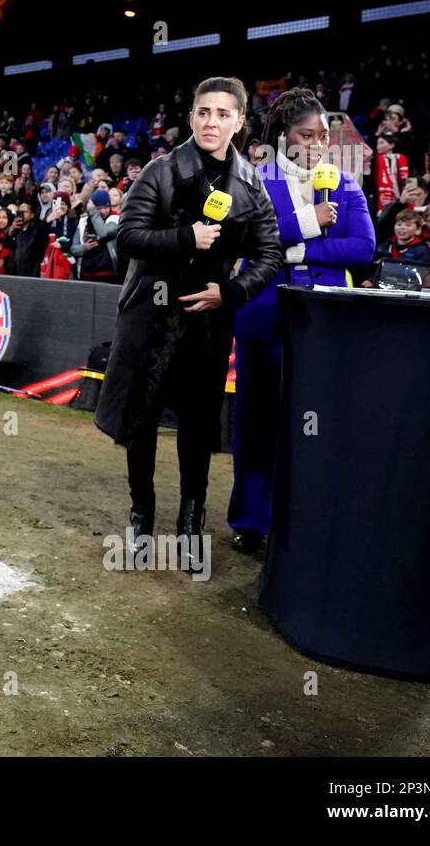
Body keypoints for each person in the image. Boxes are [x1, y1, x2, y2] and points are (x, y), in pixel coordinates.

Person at [94, 76, 282, 572]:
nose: (211, 122)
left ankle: (191, 519)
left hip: (208, 324)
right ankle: (142, 513)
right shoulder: (159, 170)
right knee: (141, 421)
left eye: (223, 114)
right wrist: (185, 237)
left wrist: (233, 292)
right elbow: (128, 236)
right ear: (191, 117)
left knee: (199, 427)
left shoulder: (251, 183)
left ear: (240, 122)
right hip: (150, 319)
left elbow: (269, 252)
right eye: (203, 112)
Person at [228, 88, 375, 551]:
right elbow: (248, 240)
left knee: (314, 421)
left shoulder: (345, 184)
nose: (315, 144)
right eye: (305, 135)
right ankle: (252, 521)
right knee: (257, 422)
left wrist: (293, 249)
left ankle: (307, 518)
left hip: (323, 319)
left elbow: (363, 248)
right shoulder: (254, 179)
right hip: (264, 316)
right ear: (283, 137)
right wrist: (310, 220)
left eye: (323, 136)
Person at [74, 188, 119, 281]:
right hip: (85, 273)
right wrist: (85, 247)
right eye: (99, 208)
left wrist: (93, 212)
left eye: (106, 207)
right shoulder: (84, 221)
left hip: (108, 274)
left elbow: (103, 233)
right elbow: (74, 248)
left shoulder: (114, 219)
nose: (103, 211)